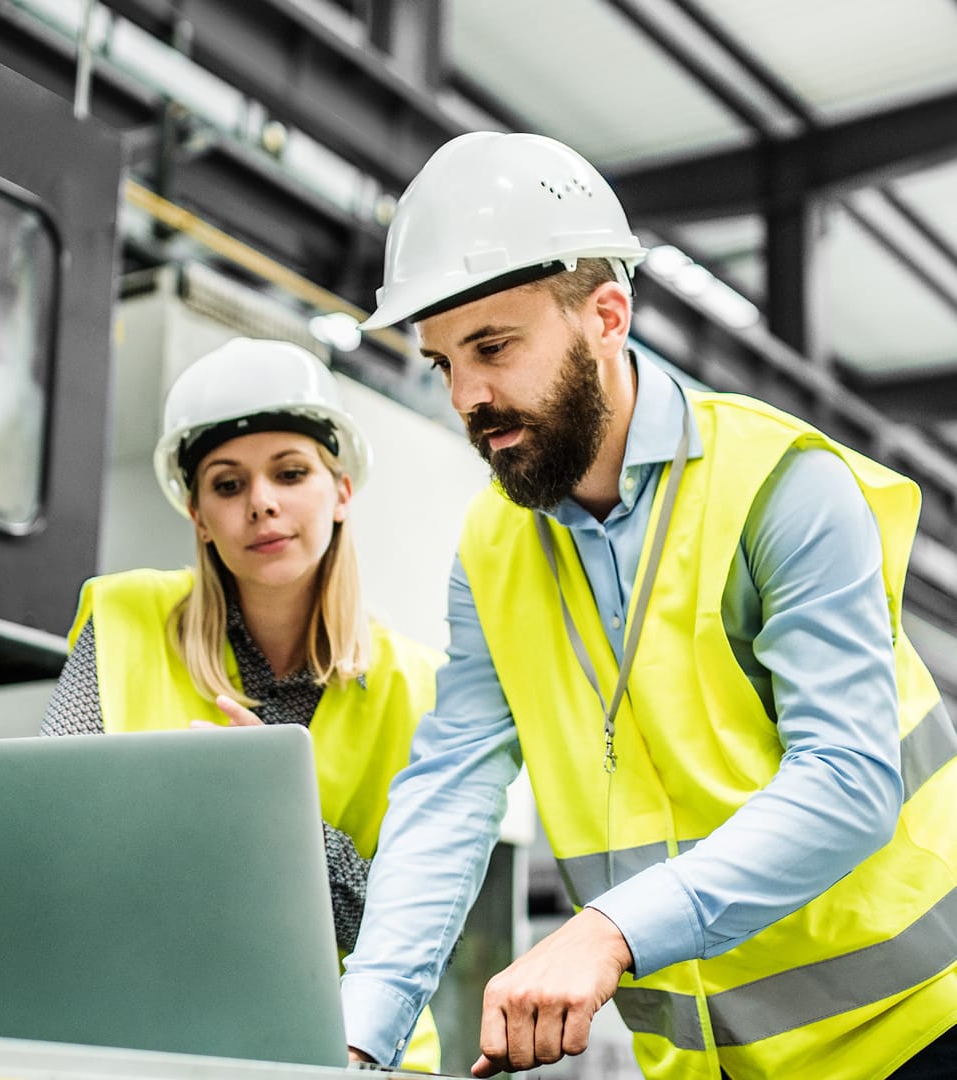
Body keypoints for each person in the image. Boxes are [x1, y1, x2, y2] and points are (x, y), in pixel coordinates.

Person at [340, 131, 957, 1080]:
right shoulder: (492, 549)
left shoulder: (782, 487)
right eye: (442, 363)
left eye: (493, 348)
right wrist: (357, 1031)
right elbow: (451, 789)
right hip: (712, 1065)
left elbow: (850, 776)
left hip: (920, 1032)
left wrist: (608, 932)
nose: (467, 396)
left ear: (607, 316)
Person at [41, 337, 445, 1070]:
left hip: (353, 1050)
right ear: (198, 516)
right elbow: (52, 839)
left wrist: (273, 812)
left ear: (341, 490)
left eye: (290, 473)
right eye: (227, 486)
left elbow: (402, 924)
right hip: (155, 1037)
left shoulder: (418, 685)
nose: (261, 502)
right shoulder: (124, 619)